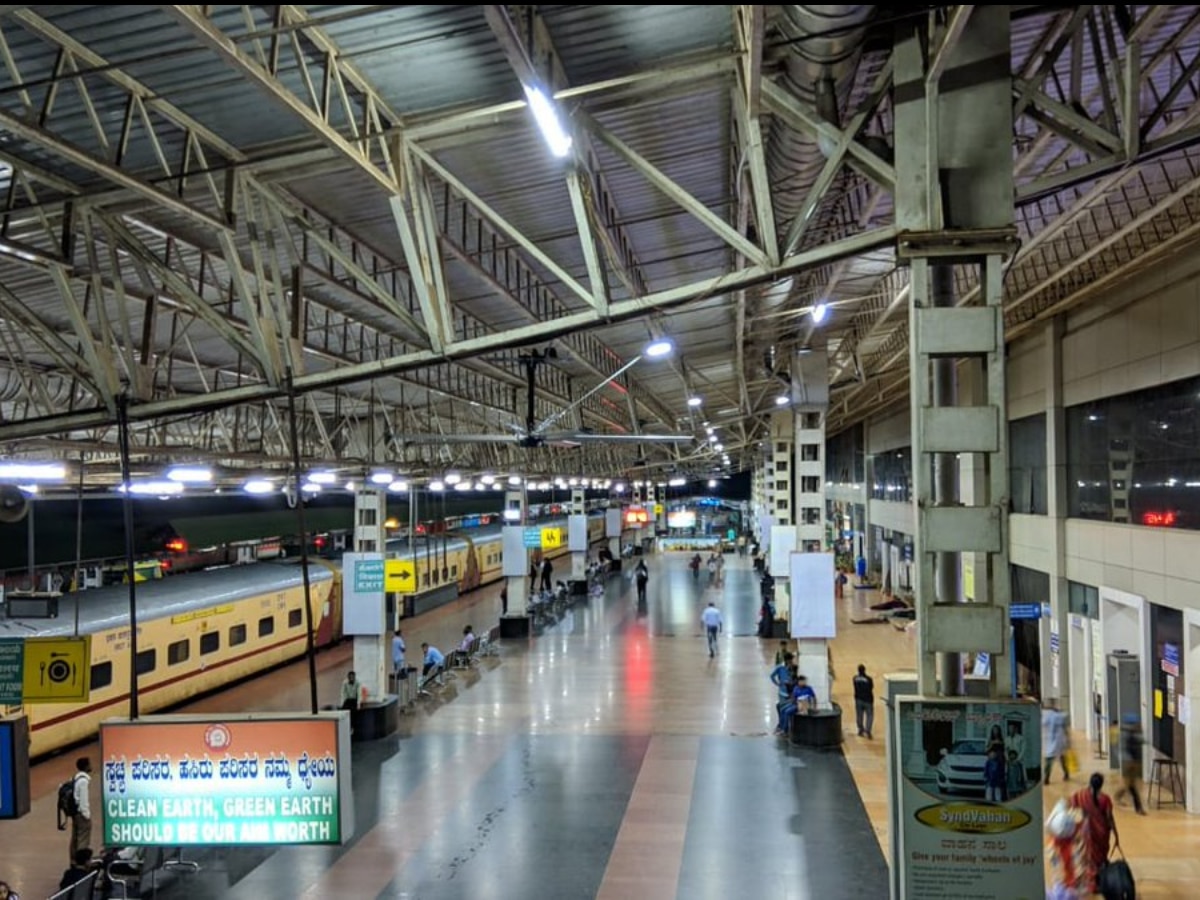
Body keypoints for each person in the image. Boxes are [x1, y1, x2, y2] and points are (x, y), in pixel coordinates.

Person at [1070, 772, 1118, 893]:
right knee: (1100, 858)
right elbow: (1109, 819)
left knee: (1088, 857)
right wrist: (1116, 836)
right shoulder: (1105, 799)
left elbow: (1071, 805)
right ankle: (1098, 882)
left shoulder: (1081, 795)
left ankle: (1090, 882)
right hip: (1102, 834)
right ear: (1101, 785)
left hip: (1087, 833)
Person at [1114, 715, 1147, 815]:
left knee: (1130, 785)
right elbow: (1125, 749)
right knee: (1129, 785)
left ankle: (1119, 797)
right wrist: (1130, 762)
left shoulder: (1130, 734)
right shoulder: (1127, 735)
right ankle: (1137, 807)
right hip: (1129, 762)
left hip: (1131, 762)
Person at [68, 757, 92, 865]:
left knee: (75, 839)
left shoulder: (75, 778)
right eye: (90, 764)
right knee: (83, 840)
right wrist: (87, 815)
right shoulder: (83, 781)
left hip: (75, 814)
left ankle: (73, 861)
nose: (91, 766)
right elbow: (83, 801)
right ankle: (81, 863)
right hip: (81, 815)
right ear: (86, 766)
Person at [1042, 700, 1070, 784]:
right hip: (1057, 740)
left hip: (1055, 740)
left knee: (1050, 759)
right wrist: (1068, 740)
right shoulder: (1059, 716)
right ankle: (1066, 773)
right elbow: (1065, 729)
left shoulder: (1048, 716)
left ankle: (1047, 777)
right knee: (1061, 758)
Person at [1005, 720, 1028, 795]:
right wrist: (1007, 759)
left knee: (1020, 778)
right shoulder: (1007, 739)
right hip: (1010, 762)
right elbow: (1005, 750)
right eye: (1009, 729)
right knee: (1010, 779)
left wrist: (1018, 759)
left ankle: (1021, 793)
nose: (1010, 730)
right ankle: (1011, 793)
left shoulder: (1021, 738)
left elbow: (1023, 749)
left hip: (1019, 762)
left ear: (1015, 729)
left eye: (1012, 728)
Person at [852, 664, 875, 739]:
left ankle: (860, 729)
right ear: (864, 670)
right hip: (868, 700)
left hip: (858, 699)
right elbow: (871, 687)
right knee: (870, 716)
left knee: (859, 715)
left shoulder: (855, 678)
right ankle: (868, 730)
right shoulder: (868, 679)